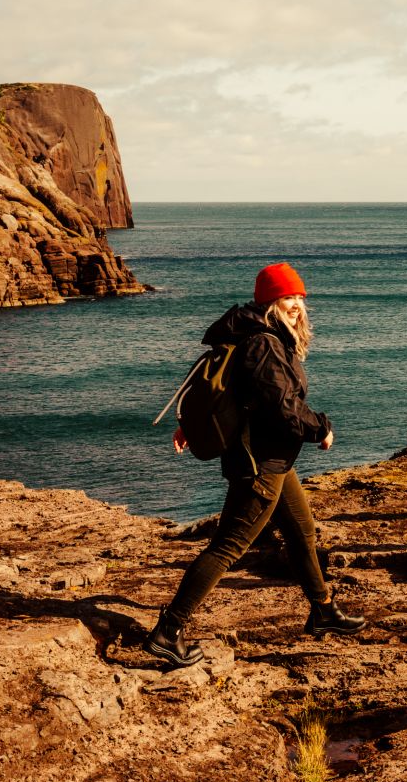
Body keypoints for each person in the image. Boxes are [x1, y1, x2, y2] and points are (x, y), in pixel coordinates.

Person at [143, 262, 364, 668]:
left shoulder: (251, 334)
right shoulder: (263, 344)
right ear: (269, 302)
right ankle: (168, 631)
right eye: (287, 298)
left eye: (299, 297)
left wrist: (188, 425)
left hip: (274, 458)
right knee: (228, 547)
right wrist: (321, 428)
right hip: (260, 461)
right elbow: (283, 408)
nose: (296, 305)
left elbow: (224, 390)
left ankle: (323, 611)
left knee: (302, 531)